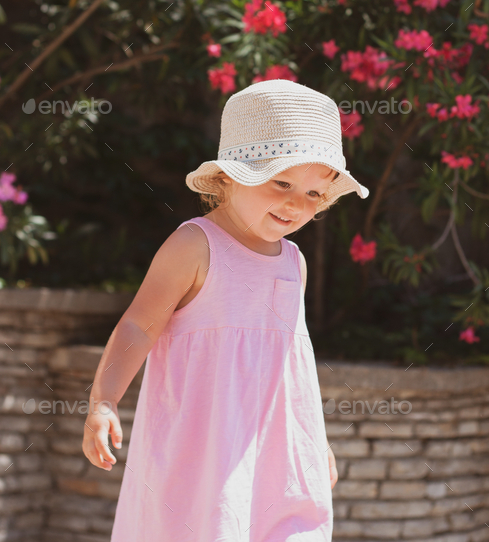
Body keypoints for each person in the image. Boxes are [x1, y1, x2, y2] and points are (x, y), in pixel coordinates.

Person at [82, 79, 369, 541]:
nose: (297, 204)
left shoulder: (294, 263)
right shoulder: (195, 245)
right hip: (202, 460)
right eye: (282, 182)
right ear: (230, 176)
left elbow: (292, 369)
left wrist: (315, 445)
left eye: (315, 195)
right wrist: (104, 400)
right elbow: (138, 324)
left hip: (278, 465)